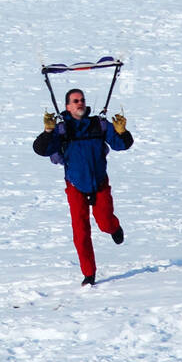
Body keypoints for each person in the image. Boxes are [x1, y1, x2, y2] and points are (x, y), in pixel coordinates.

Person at [33, 88, 133, 285]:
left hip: (100, 183)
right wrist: (48, 131)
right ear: (68, 106)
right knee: (80, 232)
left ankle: (113, 227)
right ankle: (89, 274)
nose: (80, 103)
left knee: (104, 221)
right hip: (75, 185)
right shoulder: (61, 129)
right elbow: (41, 149)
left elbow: (122, 145)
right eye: (75, 100)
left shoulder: (99, 125)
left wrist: (122, 132)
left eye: (82, 100)